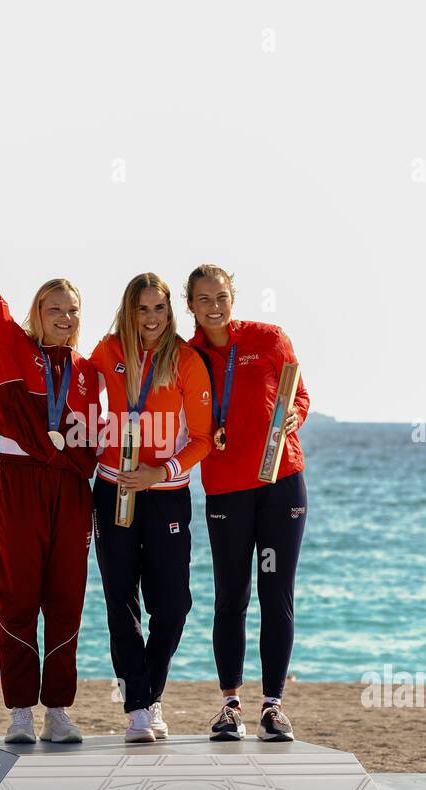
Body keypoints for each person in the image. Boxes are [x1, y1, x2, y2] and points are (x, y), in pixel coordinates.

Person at [0, 168, 100, 744]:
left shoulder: (88, 373)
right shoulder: (9, 345)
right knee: (15, 595)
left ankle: (58, 709)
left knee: (66, 597)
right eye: (54, 309)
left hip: (71, 490)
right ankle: (18, 713)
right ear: (36, 313)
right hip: (19, 482)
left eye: (73, 311)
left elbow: (102, 435)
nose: (64, 317)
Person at [186, 264, 309, 742]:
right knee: (231, 597)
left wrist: (293, 418)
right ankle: (230, 706)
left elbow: (298, 394)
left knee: (276, 594)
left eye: (221, 297)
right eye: (204, 299)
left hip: (281, 484)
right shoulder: (187, 354)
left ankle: (273, 706)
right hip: (225, 489)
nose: (214, 307)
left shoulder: (270, 338)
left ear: (232, 297)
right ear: (190, 305)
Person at [90, 274, 213, 743]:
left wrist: (159, 473)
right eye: (143, 309)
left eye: (159, 308)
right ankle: (139, 709)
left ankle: (150, 693)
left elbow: (201, 439)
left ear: (170, 310)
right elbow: (74, 383)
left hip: (166, 493)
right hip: (113, 488)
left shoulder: (185, 360)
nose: (152, 318)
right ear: (129, 311)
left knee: (174, 605)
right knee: (121, 601)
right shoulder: (108, 351)